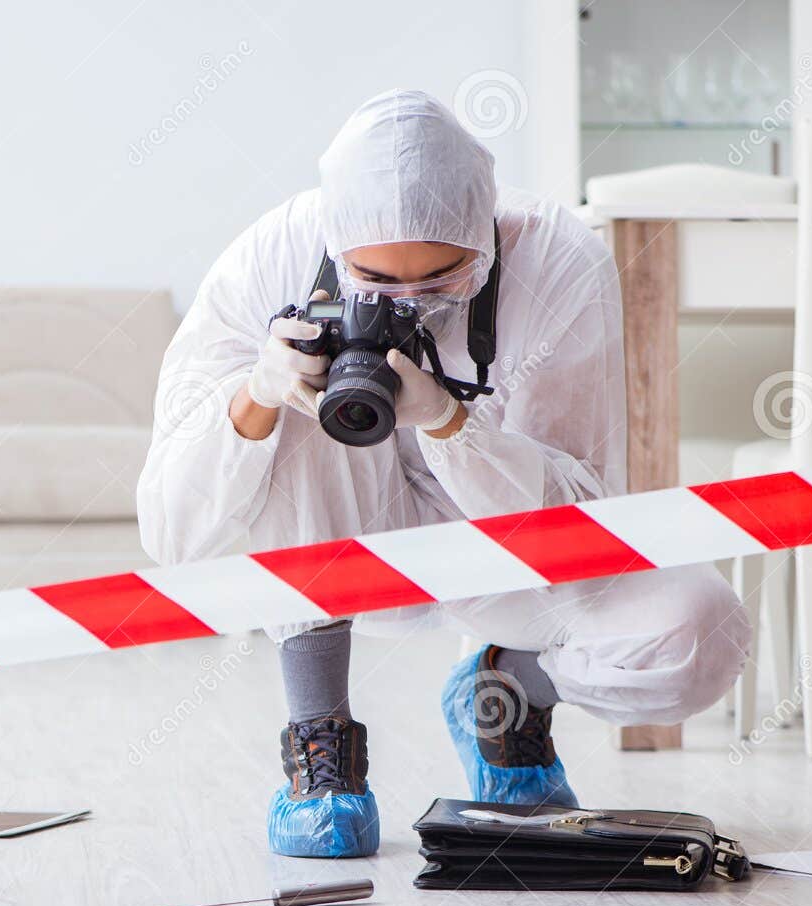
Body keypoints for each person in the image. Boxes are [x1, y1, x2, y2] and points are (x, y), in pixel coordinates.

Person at [137, 89, 750, 858]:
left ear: (485, 241)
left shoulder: (558, 258)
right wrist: (256, 397)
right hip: (351, 543)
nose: (412, 306)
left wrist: (452, 423)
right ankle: (320, 746)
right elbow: (173, 530)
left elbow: (583, 525)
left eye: (441, 280)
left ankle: (507, 694)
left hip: (508, 545)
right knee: (291, 410)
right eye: (377, 282)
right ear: (335, 242)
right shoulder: (272, 256)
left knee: (703, 631)